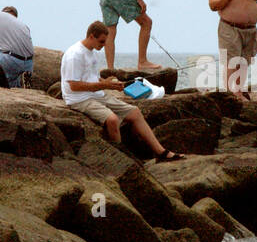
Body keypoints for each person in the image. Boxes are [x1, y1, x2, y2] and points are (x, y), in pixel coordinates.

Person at [61, 21, 185, 160]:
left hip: (96, 94)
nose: (103, 46)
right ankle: (121, 160)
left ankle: (161, 153)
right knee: (113, 120)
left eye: (105, 42)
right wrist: (105, 86)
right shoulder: (75, 55)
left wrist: (111, 84)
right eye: (101, 42)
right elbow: (74, 86)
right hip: (79, 99)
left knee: (135, 112)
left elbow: (93, 79)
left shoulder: (93, 53)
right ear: (91, 37)